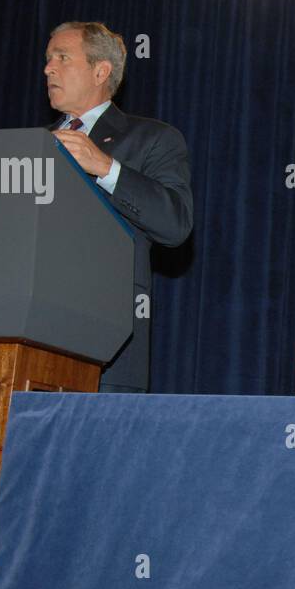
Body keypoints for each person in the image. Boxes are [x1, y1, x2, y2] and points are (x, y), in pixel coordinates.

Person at [44, 21, 193, 392]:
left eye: (62, 58)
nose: (48, 68)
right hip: (30, 336)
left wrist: (106, 167)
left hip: (105, 344)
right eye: (48, 59)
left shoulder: (152, 138)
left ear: (101, 71)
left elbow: (175, 224)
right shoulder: (31, 146)